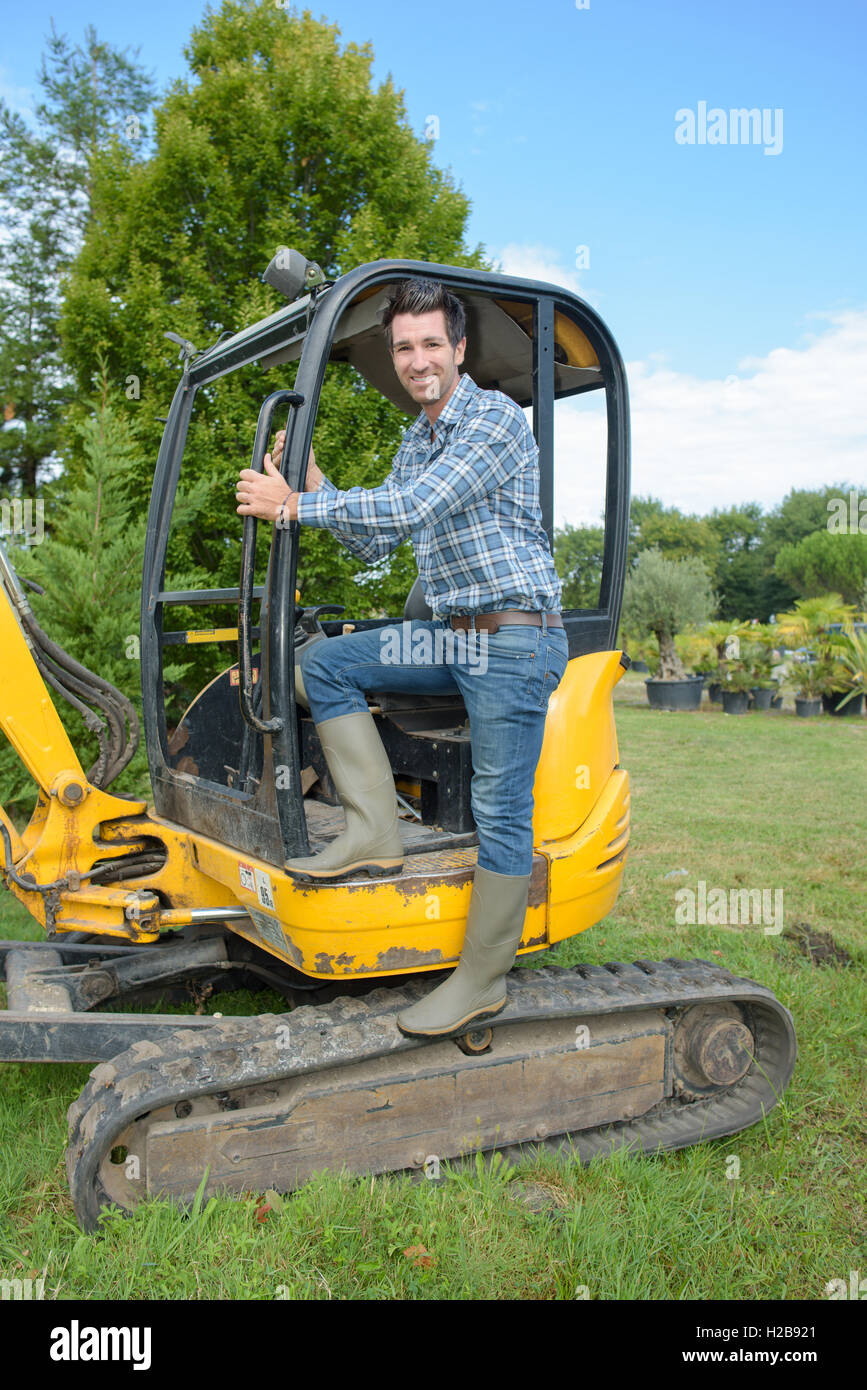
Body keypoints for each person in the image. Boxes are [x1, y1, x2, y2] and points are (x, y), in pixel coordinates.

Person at [235, 278, 568, 1038]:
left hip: (514, 640)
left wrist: (291, 505)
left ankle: (481, 979)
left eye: (429, 344)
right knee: (326, 664)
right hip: (452, 635)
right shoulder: (418, 438)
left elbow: (414, 508)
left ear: (457, 349)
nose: (417, 360)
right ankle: (374, 833)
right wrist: (314, 485)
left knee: (499, 809)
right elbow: (374, 540)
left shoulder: (494, 422)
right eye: (403, 347)